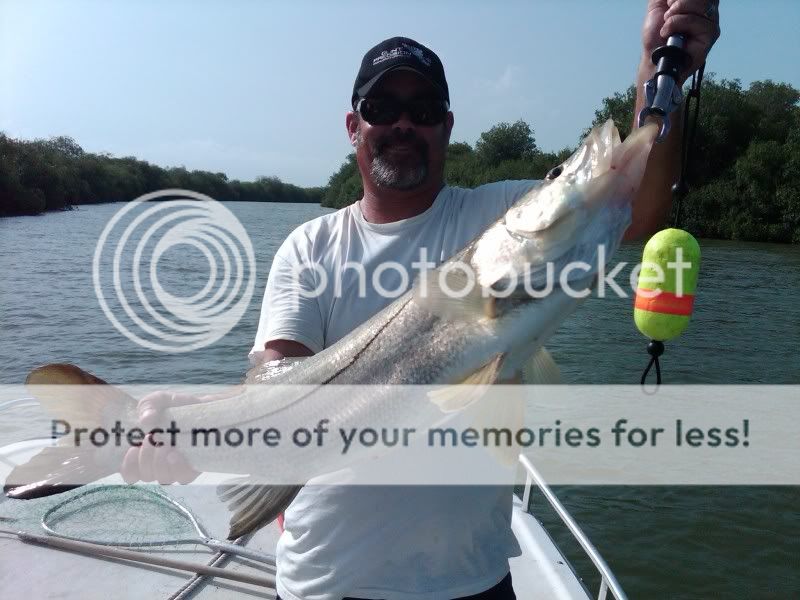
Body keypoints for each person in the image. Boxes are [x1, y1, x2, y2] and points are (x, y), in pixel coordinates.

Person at [122, 2, 720, 598]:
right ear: (354, 126)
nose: (404, 124)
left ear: (447, 126)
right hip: (327, 583)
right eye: (382, 109)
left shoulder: (493, 213)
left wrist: (657, 69)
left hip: (472, 580)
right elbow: (275, 371)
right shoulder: (310, 247)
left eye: (424, 109)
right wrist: (194, 418)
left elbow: (635, 203)